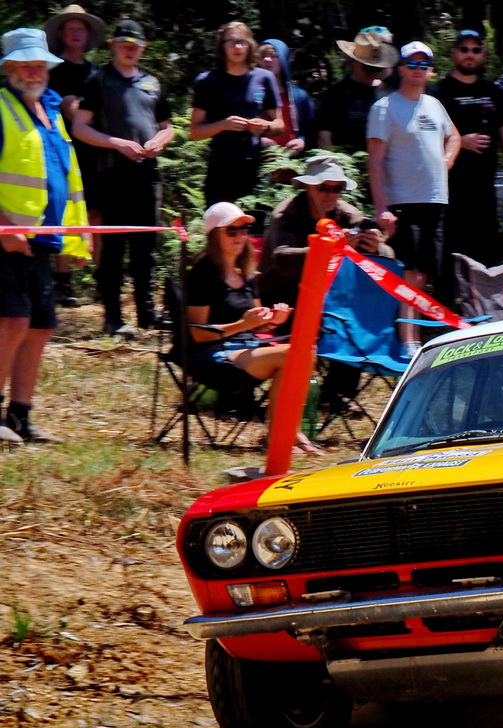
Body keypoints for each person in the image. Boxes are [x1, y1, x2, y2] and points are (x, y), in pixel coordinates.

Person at [0, 27, 90, 446]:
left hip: (42, 239)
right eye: (26, 65)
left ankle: (20, 417)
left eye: (40, 65)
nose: (34, 72)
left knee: (39, 325)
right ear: (9, 69)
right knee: (12, 321)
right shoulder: (1, 108)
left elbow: (66, 179)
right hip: (7, 238)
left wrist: (79, 237)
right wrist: (3, 227)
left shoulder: (51, 112)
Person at [258, 155, 392, 414]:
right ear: (308, 187)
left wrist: (378, 248)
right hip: (281, 297)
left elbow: (385, 258)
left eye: (337, 188)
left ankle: (336, 394)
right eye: (323, 188)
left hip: (328, 297)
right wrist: (329, 248)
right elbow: (282, 260)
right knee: (337, 318)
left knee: (354, 318)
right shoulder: (287, 214)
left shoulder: (348, 214)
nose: (331, 195)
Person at [187, 202, 318, 453]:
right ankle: (282, 435)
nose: (239, 235)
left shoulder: (246, 272)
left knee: (306, 352)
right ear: (214, 235)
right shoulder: (203, 273)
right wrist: (242, 325)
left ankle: (287, 431)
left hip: (247, 347)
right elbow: (198, 334)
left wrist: (274, 319)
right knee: (294, 354)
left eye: (244, 229)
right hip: (213, 356)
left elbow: (259, 321)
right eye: (231, 230)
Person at [73, 20, 174, 339]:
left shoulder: (152, 82)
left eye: (135, 46)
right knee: (114, 247)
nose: (129, 50)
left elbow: (168, 126)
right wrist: (117, 143)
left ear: (143, 48)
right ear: (113, 46)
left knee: (146, 245)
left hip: (147, 174)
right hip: (112, 175)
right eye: (124, 44)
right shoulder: (99, 80)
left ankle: (147, 313)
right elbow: (79, 128)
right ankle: (113, 317)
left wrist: (159, 141)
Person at [368, 41, 459, 357]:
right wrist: (382, 208)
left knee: (423, 273)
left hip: (435, 199)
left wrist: (446, 160)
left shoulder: (434, 105)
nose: (418, 70)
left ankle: (412, 335)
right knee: (410, 273)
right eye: (412, 64)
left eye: (424, 65)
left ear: (430, 70)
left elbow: (454, 136)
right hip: (404, 201)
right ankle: (408, 340)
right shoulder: (385, 108)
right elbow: (375, 161)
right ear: (401, 68)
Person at [429, 27, 503, 266]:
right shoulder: (437, 92)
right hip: (447, 191)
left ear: (483, 55)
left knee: (486, 258)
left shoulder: (492, 92)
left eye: (476, 50)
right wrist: (460, 142)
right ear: (454, 53)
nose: (470, 54)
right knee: (449, 259)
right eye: (464, 49)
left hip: (484, 191)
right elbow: (423, 138)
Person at [44, 4, 104, 307]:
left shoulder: (97, 72)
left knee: (97, 212)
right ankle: (63, 281)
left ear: (89, 34)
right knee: (62, 209)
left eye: (81, 28)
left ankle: (101, 280)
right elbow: (61, 107)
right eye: (71, 28)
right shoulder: (51, 70)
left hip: (95, 149)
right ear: (61, 34)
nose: (76, 33)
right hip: (61, 148)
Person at [189, 21, 283, 207]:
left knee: (256, 224)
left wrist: (266, 127)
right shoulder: (207, 81)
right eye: (231, 42)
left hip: (255, 167)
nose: (237, 47)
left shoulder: (264, 78)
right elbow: (194, 132)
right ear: (222, 47)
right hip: (221, 170)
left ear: (250, 45)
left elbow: (280, 125)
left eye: (242, 42)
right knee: (222, 224)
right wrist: (223, 125)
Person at [316, 27, 396, 154]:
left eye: (377, 68)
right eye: (367, 66)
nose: (372, 71)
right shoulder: (336, 94)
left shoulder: (392, 95)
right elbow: (324, 135)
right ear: (353, 61)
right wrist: (333, 162)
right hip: (346, 163)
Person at [256, 40, 313, 156]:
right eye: (263, 56)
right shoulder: (251, 95)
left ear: (283, 60)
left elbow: (313, 130)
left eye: (274, 56)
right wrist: (257, 141)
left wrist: (303, 141)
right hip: (261, 161)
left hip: (294, 162)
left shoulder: (299, 96)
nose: (268, 60)